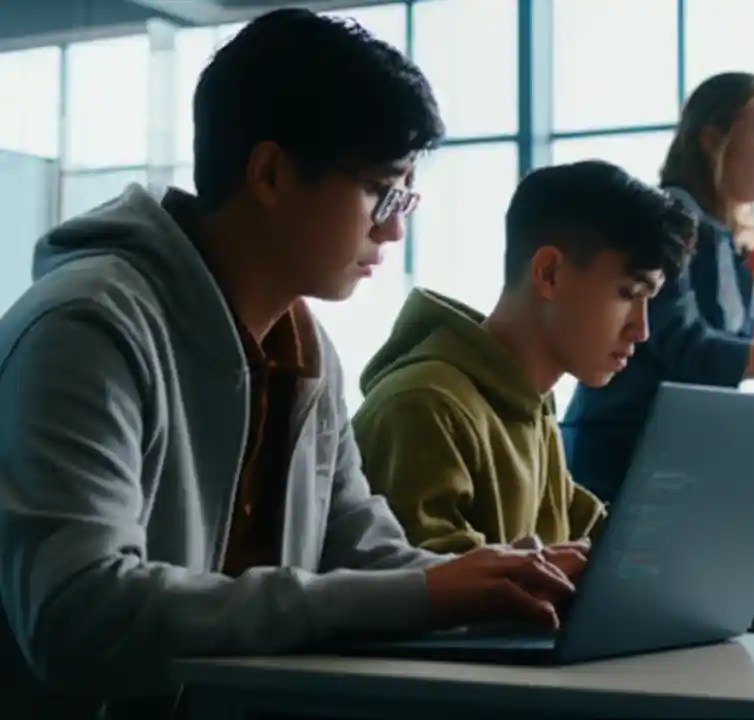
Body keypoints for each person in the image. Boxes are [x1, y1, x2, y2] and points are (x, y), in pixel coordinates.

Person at [0, 11, 573, 717]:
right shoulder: (87, 328)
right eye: (381, 190)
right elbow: (78, 614)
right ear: (270, 173)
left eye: (404, 197)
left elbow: (369, 559)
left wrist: (511, 582)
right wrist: (425, 593)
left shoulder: (304, 351)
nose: (395, 227)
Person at [353, 160, 754, 568]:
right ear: (549, 274)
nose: (642, 329)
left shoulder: (527, 402)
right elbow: (444, 592)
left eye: (649, 300)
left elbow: (608, 539)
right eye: (628, 294)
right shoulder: (425, 405)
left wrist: (752, 544)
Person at [561, 72, 754, 504]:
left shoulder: (730, 246)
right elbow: (689, 349)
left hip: (678, 459)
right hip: (620, 460)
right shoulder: (670, 218)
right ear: (712, 139)